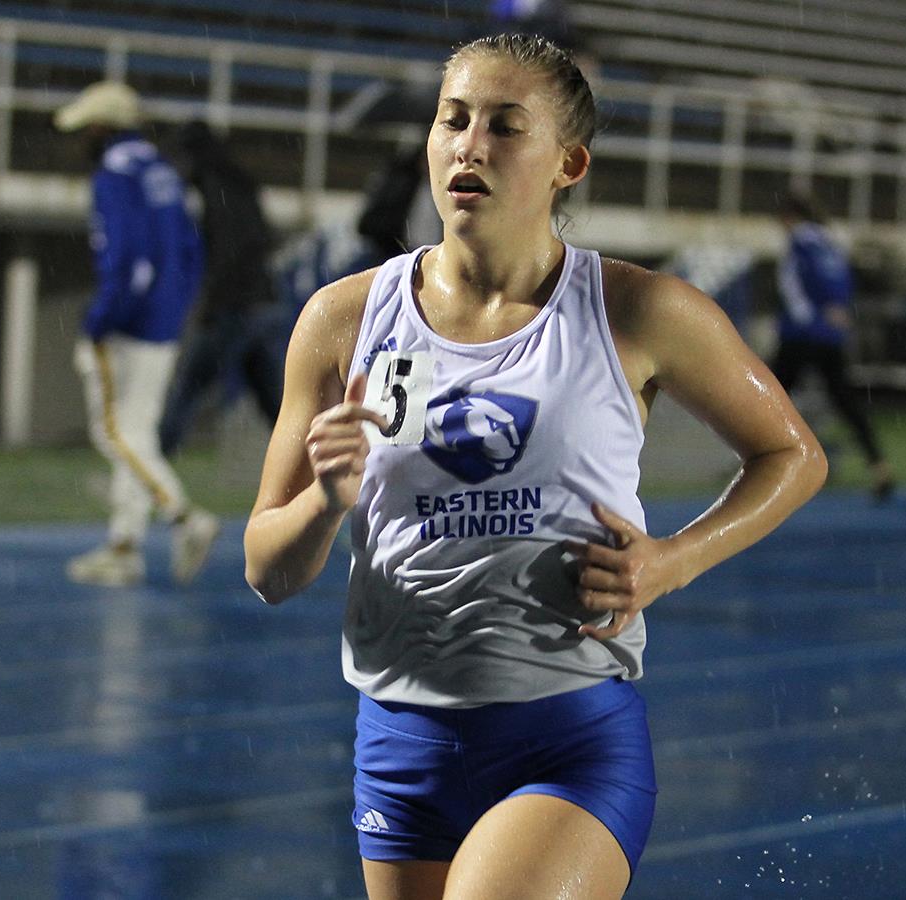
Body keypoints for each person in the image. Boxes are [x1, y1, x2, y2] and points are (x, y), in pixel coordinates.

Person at [244, 34, 826, 900]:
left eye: (506, 126)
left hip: (566, 739)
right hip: (399, 744)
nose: (469, 146)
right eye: (453, 120)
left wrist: (672, 561)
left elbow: (793, 455)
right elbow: (266, 567)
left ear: (568, 162)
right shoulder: (344, 319)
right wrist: (330, 501)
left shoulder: (638, 310)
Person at [54, 81, 220, 587]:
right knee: (138, 434)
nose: (77, 141)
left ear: (101, 128)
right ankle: (124, 546)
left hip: (127, 323)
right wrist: (173, 308)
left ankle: (184, 517)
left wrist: (101, 319)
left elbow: (125, 259)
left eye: (83, 130)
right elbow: (192, 253)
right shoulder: (163, 173)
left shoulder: (114, 177)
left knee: (114, 433)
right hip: (164, 322)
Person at [158, 120, 286, 457]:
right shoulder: (241, 180)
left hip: (234, 307)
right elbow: (262, 239)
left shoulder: (211, 186)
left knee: (185, 392)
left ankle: (148, 478)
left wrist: (212, 306)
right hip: (264, 302)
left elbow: (230, 249)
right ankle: (318, 475)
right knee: (282, 409)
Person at [770, 192, 896, 502]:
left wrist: (807, 318)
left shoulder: (799, 243)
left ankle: (765, 465)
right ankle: (878, 464)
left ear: (789, 216)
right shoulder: (830, 243)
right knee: (845, 400)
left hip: (802, 334)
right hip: (831, 334)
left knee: (770, 397)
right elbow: (842, 284)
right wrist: (836, 312)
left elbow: (790, 286)